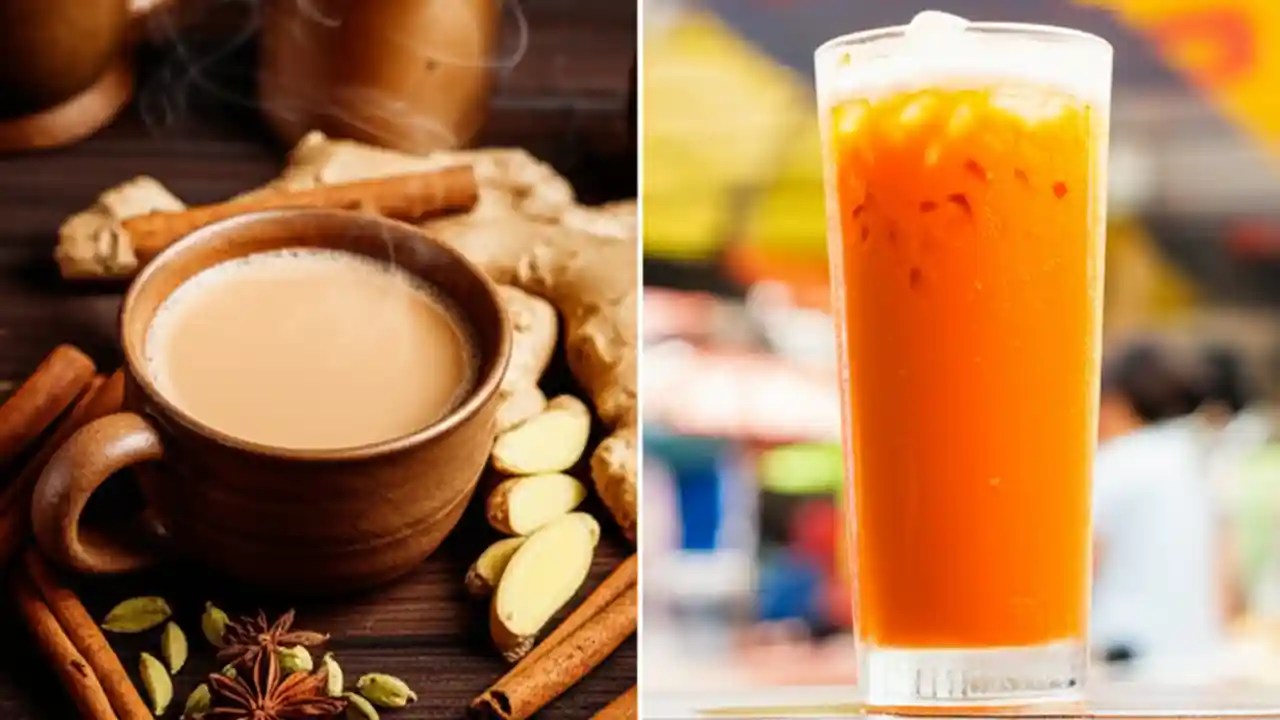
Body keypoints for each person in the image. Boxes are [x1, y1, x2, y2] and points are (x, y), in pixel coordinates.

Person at [1092, 342, 1226, 665]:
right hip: (1196, 652)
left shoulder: (1116, 464)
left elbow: (1082, 562)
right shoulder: (1191, 458)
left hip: (1124, 651)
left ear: (1116, 401)